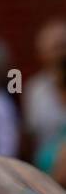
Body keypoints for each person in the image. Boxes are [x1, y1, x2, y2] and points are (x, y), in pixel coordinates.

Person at [24, 18, 66, 167]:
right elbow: (30, 139)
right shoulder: (35, 89)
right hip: (46, 175)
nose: (63, 54)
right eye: (57, 47)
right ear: (42, 54)